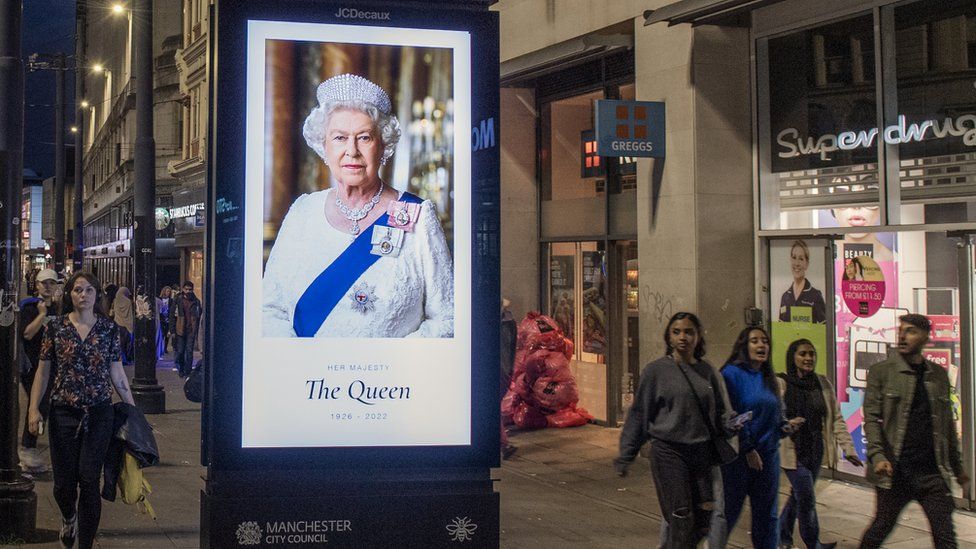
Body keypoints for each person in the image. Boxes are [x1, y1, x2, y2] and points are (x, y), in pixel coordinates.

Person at [262, 73, 454, 338]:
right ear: (324, 146)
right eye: (340, 138)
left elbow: (447, 318)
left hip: (392, 379)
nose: (351, 151)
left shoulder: (417, 216)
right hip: (311, 379)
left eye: (364, 137)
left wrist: (391, 365)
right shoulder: (301, 214)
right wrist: (300, 365)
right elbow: (270, 310)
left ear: (383, 145)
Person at [26, 271, 135, 549]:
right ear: (69, 295)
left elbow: (118, 376)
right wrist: (33, 410)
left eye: (88, 290)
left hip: (99, 413)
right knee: (64, 485)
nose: (83, 295)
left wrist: (134, 415)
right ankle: (69, 516)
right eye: (77, 290)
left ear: (97, 294)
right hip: (63, 412)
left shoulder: (109, 330)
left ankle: (85, 543)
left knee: (88, 480)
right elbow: (43, 371)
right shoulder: (56, 327)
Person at [616, 312, 734, 548]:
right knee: (680, 516)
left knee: (704, 517)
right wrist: (626, 453)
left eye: (689, 332)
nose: (683, 337)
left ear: (698, 337)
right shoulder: (656, 371)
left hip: (701, 451)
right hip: (669, 452)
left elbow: (721, 410)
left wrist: (731, 424)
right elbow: (640, 412)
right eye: (677, 332)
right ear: (668, 337)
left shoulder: (707, 371)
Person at [860, 314, 969, 548]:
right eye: (901, 330)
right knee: (880, 528)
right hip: (896, 472)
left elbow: (946, 426)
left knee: (946, 537)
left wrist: (958, 468)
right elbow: (871, 419)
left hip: (932, 473)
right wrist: (878, 456)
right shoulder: (882, 372)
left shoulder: (938, 375)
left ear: (925, 337)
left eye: (910, 331)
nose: (902, 336)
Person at [721, 326, 804, 549]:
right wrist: (747, 449)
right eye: (755, 341)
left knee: (767, 518)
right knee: (728, 514)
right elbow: (731, 415)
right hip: (739, 459)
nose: (761, 345)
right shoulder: (731, 374)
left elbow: (772, 415)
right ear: (744, 346)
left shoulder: (769, 378)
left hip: (768, 457)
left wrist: (784, 426)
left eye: (765, 341)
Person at [778, 338, 862, 549]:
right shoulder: (782, 384)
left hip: (816, 450)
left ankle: (782, 535)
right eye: (802, 354)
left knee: (798, 497)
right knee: (806, 498)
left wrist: (848, 449)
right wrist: (787, 424)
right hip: (792, 451)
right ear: (793, 357)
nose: (808, 358)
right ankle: (812, 543)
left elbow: (836, 419)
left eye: (811, 354)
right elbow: (773, 416)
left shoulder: (823, 383)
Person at [18, 268, 62, 473]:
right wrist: (41, 314)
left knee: (47, 406)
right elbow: (27, 334)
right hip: (31, 365)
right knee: (39, 404)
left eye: (51, 283)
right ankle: (28, 449)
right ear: (36, 285)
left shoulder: (58, 309)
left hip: (51, 364)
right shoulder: (29, 307)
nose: (47, 287)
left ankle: (31, 449)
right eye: (44, 283)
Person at [779, 239, 826, 324]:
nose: (796, 263)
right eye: (794, 258)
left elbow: (825, 327)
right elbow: (781, 326)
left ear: (806, 264)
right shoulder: (785, 297)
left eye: (801, 259)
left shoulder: (816, 295)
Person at [170, 281, 202, 377]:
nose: (188, 291)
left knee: (189, 351)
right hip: (180, 328)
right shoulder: (177, 300)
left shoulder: (196, 301)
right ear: (183, 289)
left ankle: (187, 371)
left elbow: (198, 314)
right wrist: (172, 330)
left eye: (190, 289)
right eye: (186, 289)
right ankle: (181, 368)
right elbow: (172, 315)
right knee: (180, 351)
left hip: (191, 329)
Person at [500, 298, 517, 459]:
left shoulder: (503, 325)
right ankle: (504, 445)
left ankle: (504, 445)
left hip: (499, 371)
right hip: (504, 371)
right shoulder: (509, 322)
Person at [112, 287, 134, 365]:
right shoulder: (128, 302)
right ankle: (126, 359)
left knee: (120, 344)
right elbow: (130, 315)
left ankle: (121, 359)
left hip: (118, 323)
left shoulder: (115, 301)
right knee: (126, 344)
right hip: (126, 325)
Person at [157, 286, 172, 357]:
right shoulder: (159, 299)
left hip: (168, 318)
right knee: (162, 334)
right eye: (167, 291)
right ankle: (161, 348)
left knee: (167, 335)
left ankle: (165, 348)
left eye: (169, 291)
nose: (168, 293)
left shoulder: (171, 300)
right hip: (161, 318)